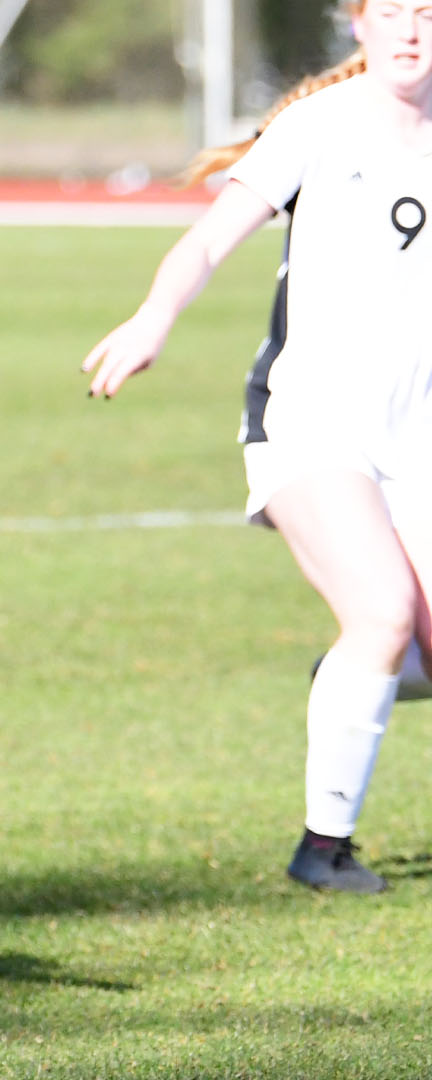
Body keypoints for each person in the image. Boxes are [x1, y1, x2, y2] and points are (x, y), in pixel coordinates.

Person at [85, 0, 432, 896]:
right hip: (310, 421)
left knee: (393, 641)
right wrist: (154, 316)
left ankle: (362, 669)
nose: (411, 29)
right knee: (385, 611)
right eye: (392, 9)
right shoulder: (317, 126)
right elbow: (205, 242)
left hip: (420, 434)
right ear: (357, 23)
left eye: (428, 10)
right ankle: (323, 847)